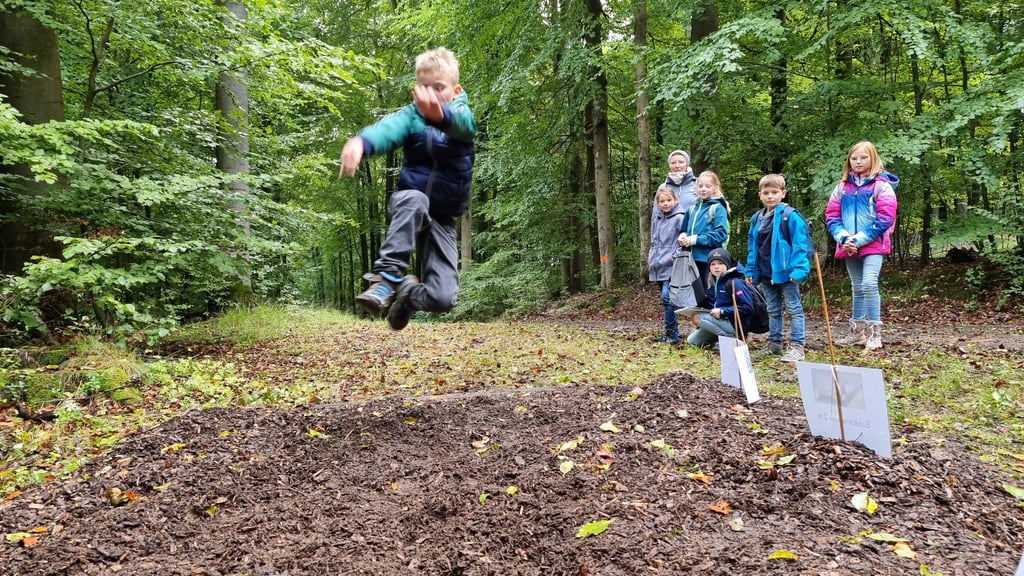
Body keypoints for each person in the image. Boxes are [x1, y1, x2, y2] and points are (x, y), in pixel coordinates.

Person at [338, 47, 476, 331]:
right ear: (416, 90)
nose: (432, 95)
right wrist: (361, 143)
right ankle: (386, 280)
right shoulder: (411, 116)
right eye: (425, 88)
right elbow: (387, 130)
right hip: (408, 204)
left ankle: (407, 296)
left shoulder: (460, 113)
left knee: (443, 299)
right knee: (415, 200)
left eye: (439, 88)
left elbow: (464, 128)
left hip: (442, 217)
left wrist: (441, 116)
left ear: (455, 89)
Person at [825, 141, 899, 350]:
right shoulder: (842, 187)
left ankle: (875, 333)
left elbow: (886, 217)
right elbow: (832, 215)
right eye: (854, 158)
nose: (858, 162)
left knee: (868, 283)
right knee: (857, 288)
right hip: (848, 245)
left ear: (872, 159)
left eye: (863, 157)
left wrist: (858, 239)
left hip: (873, 244)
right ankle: (857, 333)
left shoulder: (881, 186)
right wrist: (843, 238)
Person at [745, 174, 811, 362]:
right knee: (773, 309)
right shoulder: (757, 218)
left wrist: (799, 270)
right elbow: (753, 247)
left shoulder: (790, 217)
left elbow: (800, 245)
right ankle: (774, 344)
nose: (770, 196)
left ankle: (797, 346)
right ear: (760, 195)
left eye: (774, 192)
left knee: (794, 309)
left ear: (783, 193)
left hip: (787, 273)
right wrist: (750, 269)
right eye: (766, 193)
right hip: (766, 273)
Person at [677, 171, 730, 307]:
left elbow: (721, 234)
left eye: (707, 186)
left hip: (710, 261)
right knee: (696, 298)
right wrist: (683, 236)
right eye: (700, 186)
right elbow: (683, 230)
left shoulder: (718, 208)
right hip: (691, 261)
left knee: (711, 296)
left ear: (715, 188)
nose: (703, 189)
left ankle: (715, 326)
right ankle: (702, 327)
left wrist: (695, 240)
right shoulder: (691, 209)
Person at [685, 248, 755, 349]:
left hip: (735, 324)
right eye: (712, 264)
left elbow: (748, 308)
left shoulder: (735, 282)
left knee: (698, 317)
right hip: (721, 321)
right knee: (692, 341)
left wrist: (722, 311)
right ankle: (719, 340)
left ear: (727, 264)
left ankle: (730, 339)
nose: (716, 267)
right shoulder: (714, 282)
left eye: (720, 263)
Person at [648, 186, 688, 344]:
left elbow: (683, 242)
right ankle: (670, 331)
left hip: (673, 265)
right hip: (658, 265)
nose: (665, 204)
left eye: (668, 200)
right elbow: (655, 242)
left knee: (668, 297)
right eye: (662, 201)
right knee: (666, 299)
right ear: (657, 203)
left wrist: (674, 257)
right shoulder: (657, 219)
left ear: (675, 200)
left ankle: (672, 333)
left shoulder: (679, 217)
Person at [657, 150, 698, 217]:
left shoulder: (698, 184)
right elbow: (656, 214)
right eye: (673, 163)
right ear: (669, 166)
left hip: (693, 226)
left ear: (687, 164)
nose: (677, 166)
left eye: (681, 162)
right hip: (669, 227)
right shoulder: (663, 187)